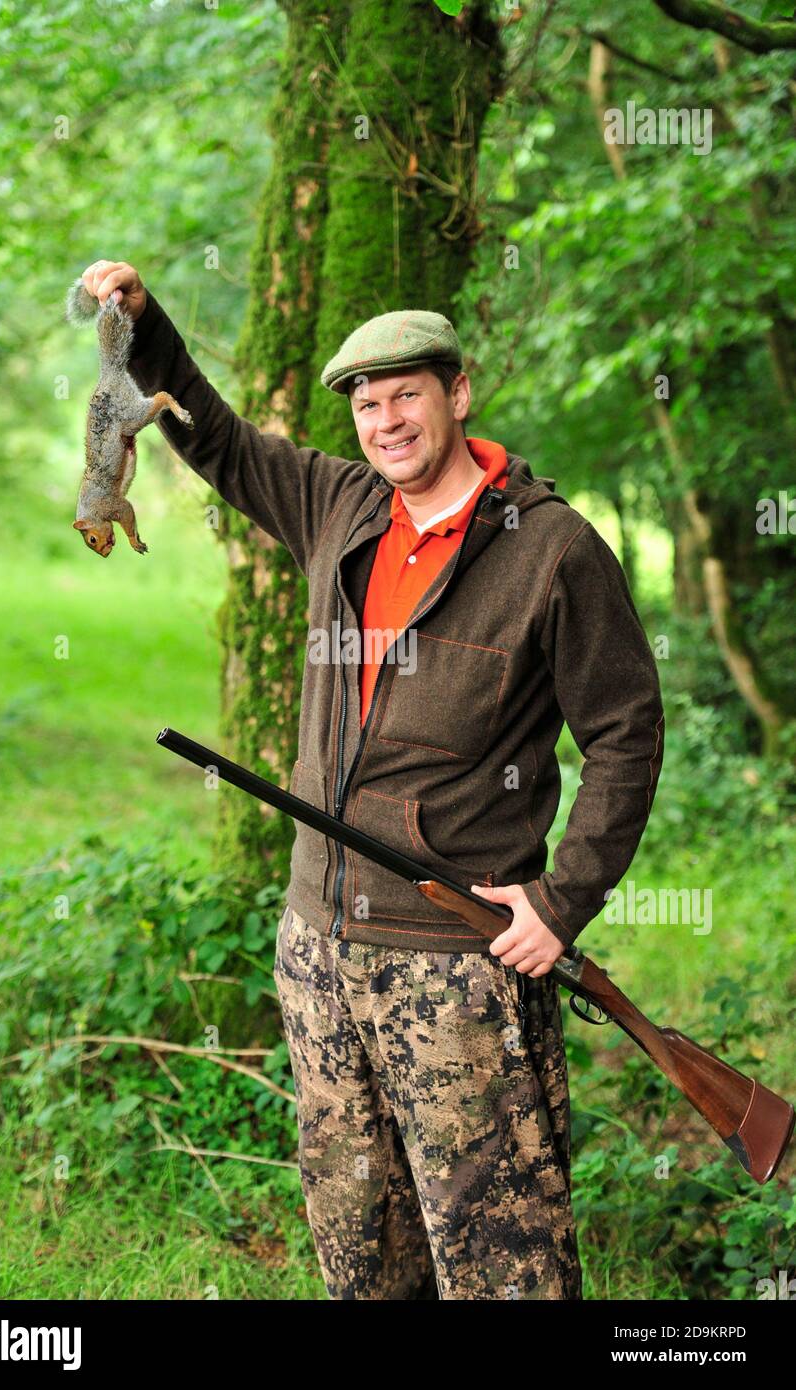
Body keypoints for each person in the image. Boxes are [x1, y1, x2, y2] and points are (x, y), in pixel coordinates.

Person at [77, 260, 665, 1301]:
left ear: (457, 393)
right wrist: (140, 319)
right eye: (363, 400)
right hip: (317, 951)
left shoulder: (551, 550)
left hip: (457, 966)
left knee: (500, 1261)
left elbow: (624, 731)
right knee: (360, 1246)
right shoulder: (337, 505)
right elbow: (213, 435)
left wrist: (561, 899)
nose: (383, 418)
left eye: (404, 394)